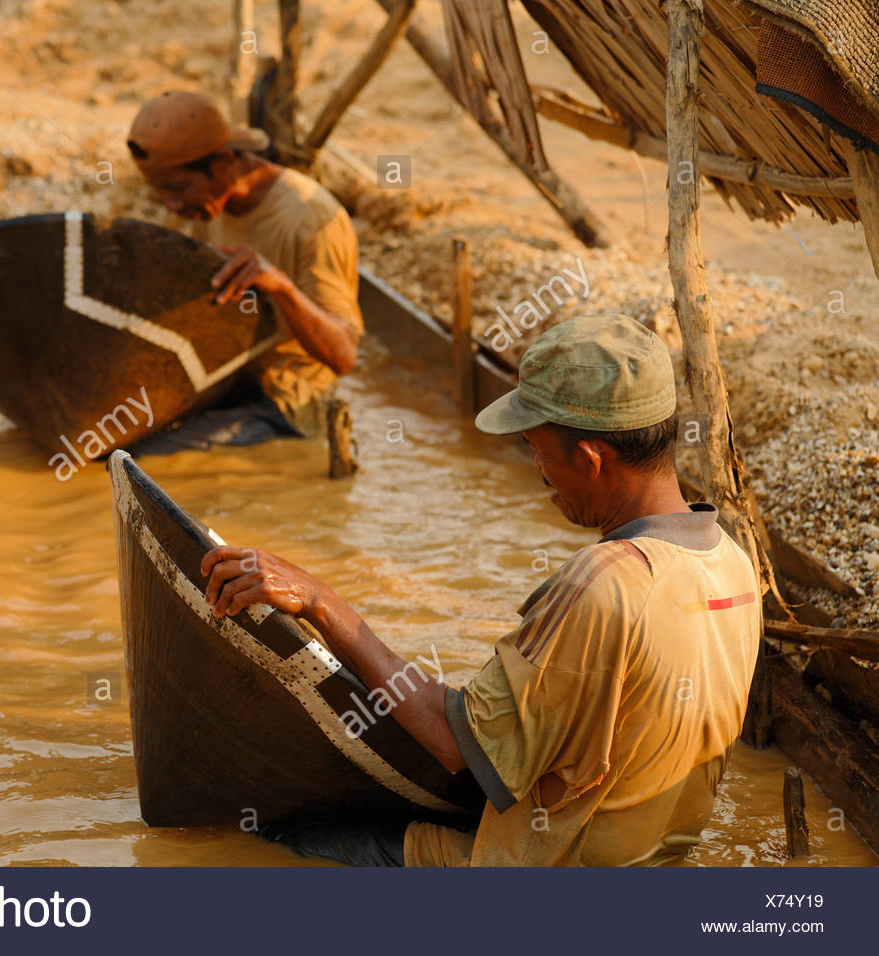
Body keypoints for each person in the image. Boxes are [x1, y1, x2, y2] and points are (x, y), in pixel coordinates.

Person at [200, 313, 763, 866]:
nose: (542, 479)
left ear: (591, 459)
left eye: (539, 454)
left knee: (269, 835)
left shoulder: (605, 581)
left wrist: (320, 601)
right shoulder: (732, 565)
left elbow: (454, 744)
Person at [124, 90, 363, 452]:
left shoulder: (311, 219)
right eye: (159, 191)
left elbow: (344, 356)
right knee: (112, 429)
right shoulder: (204, 205)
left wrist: (280, 287)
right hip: (223, 375)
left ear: (223, 164)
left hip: (287, 397)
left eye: (178, 189)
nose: (170, 205)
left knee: (142, 456)